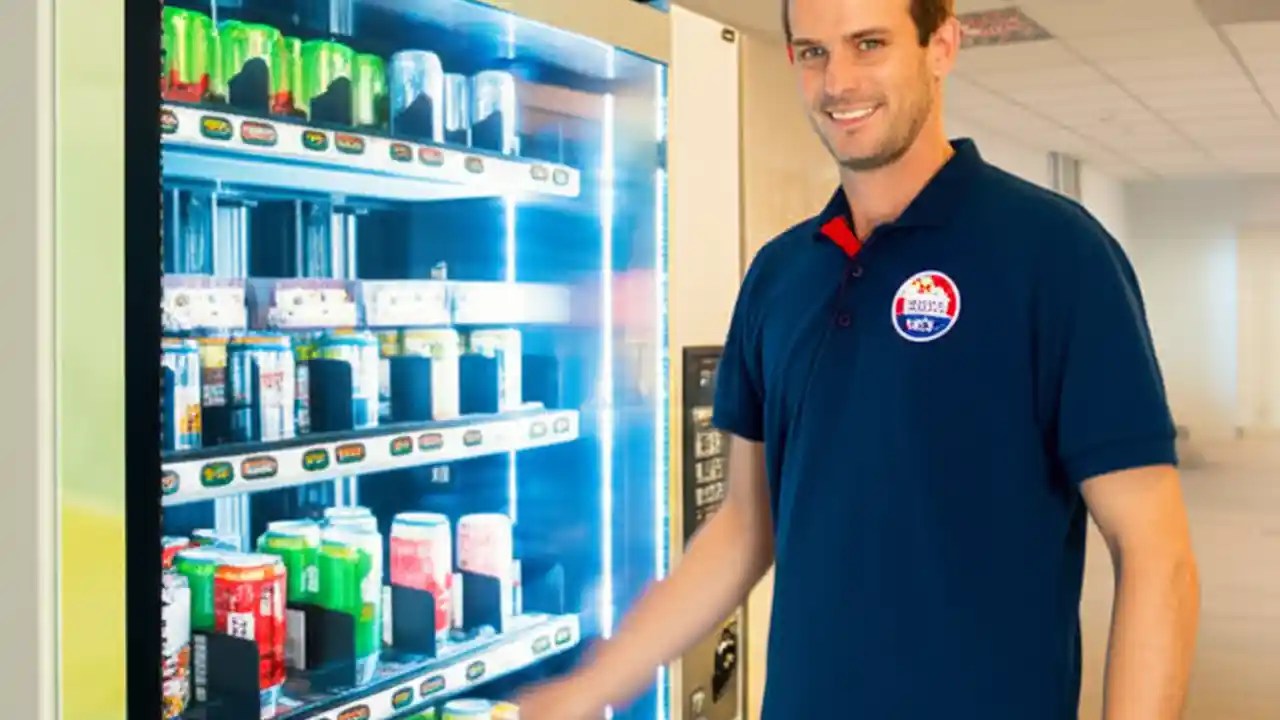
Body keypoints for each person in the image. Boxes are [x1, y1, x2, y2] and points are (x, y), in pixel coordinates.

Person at [516, 0, 1201, 717]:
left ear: (941, 46)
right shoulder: (778, 276)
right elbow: (748, 526)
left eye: (868, 44)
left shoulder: (1057, 255)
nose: (837, 81)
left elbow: (1154, 553)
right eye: (812, 52)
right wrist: (588, 688)